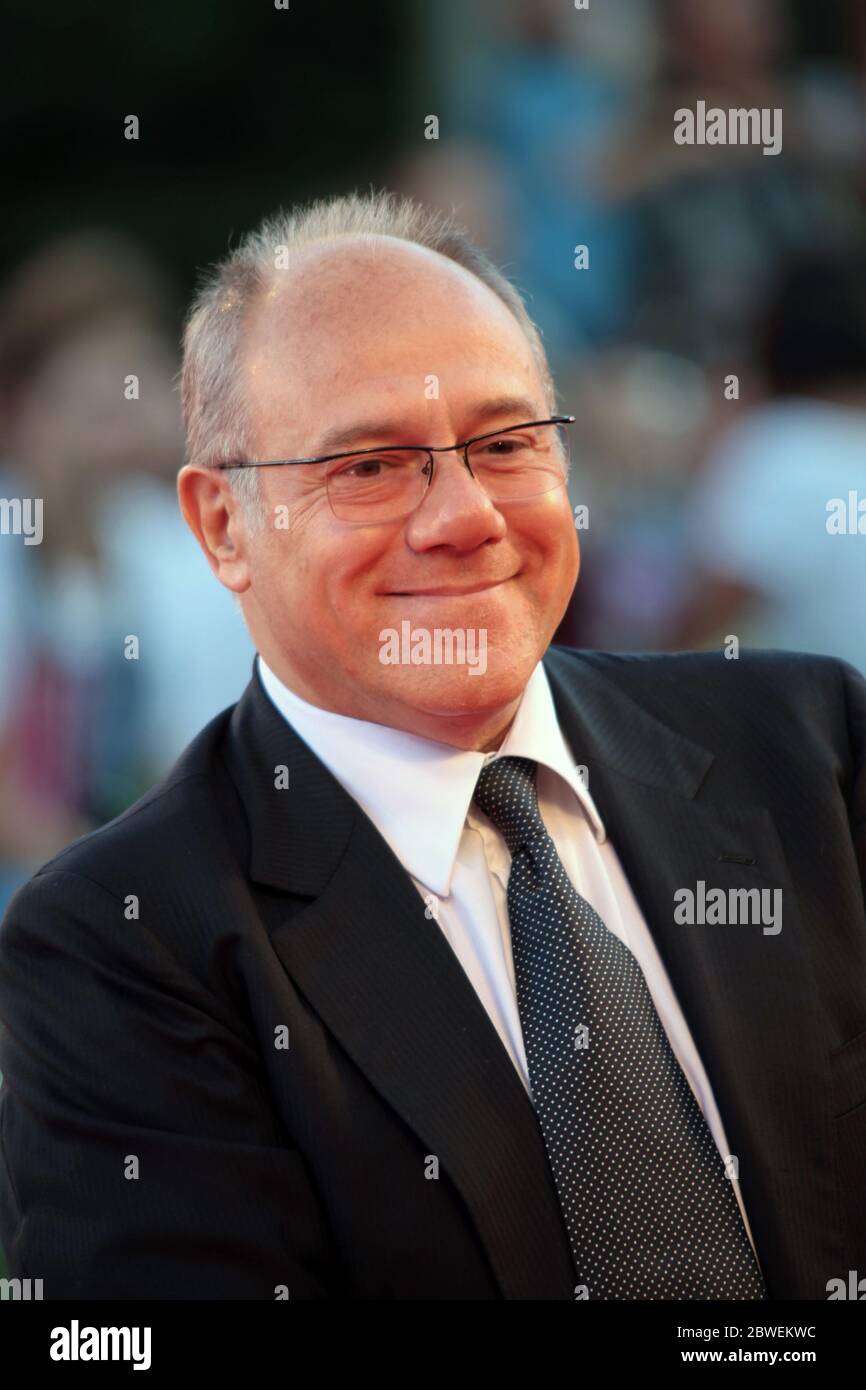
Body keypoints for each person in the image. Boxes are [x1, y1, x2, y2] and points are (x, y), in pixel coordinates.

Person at [0, 190, 864, 1301]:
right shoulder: (121, 948)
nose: (464, 515)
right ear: (224, 525)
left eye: (503, 443)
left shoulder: (811, 756)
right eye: (367, 465)